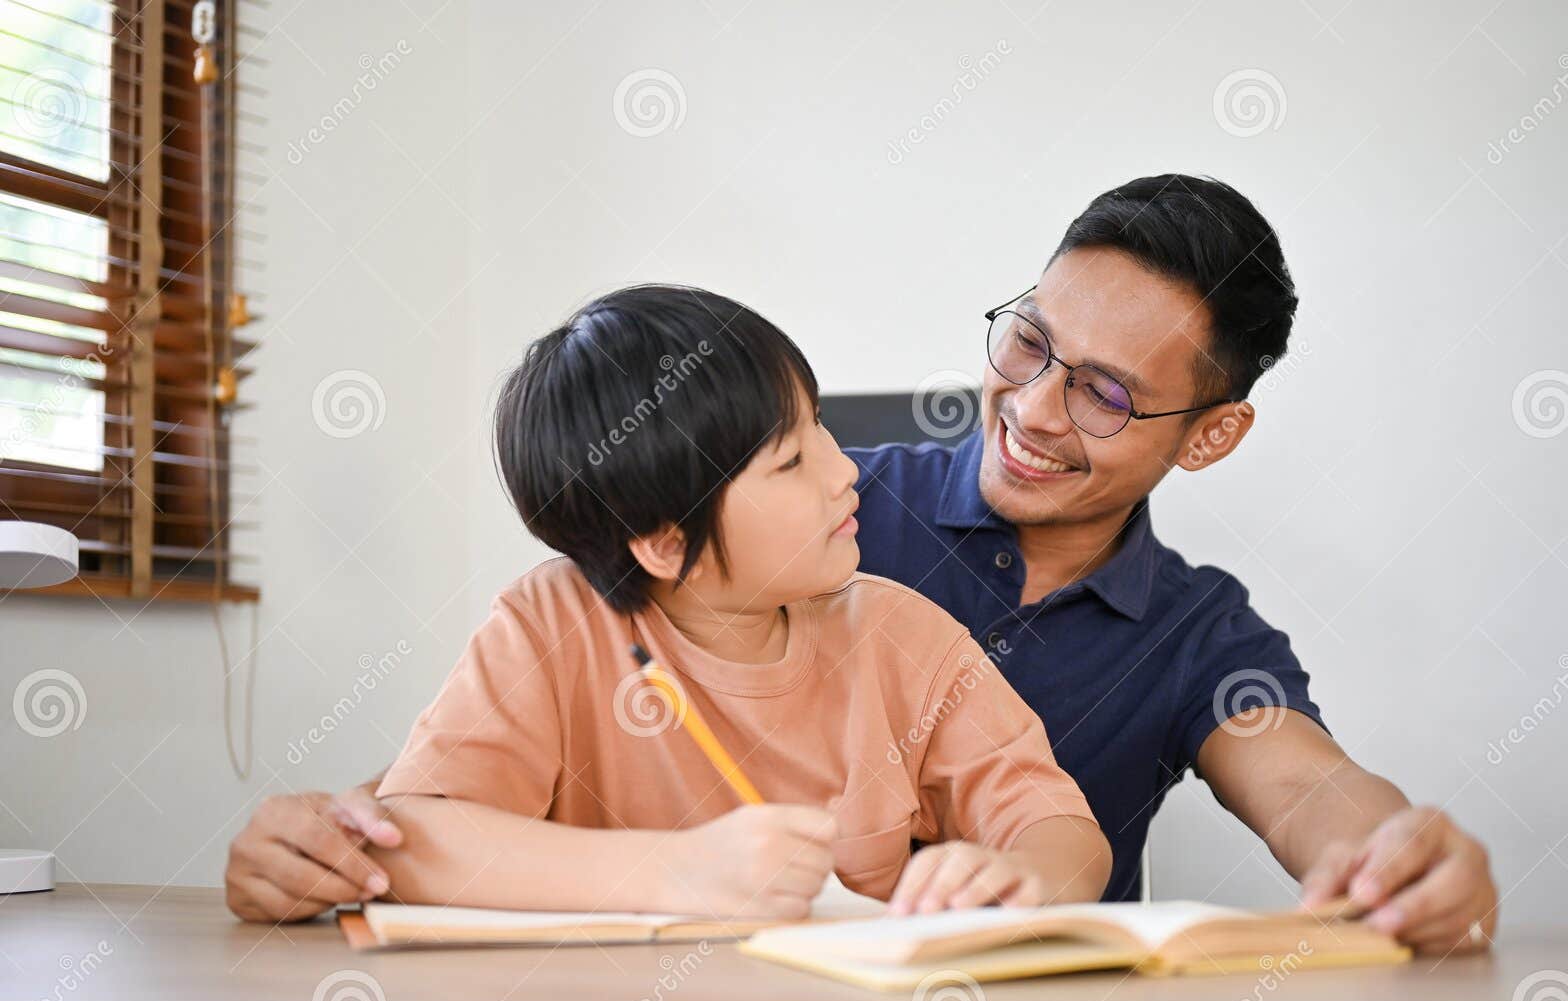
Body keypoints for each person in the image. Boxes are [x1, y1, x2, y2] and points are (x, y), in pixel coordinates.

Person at [226, 175, 1496, 955]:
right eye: (1027, 344)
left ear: (1208, 435)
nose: (1030, 409)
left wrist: (1401, 858)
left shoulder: (1188, 632)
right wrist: (336, 833)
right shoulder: (817, 514)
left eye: (1104, 394)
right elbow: (478, 770)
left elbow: (1307, 787)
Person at [282, 284, 1111, 919]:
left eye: (819, 426)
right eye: (791, 461)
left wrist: (1023, 875)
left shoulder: (902, 634)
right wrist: (680, 872)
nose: (843, 470)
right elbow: (414, 838)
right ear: (665, 542)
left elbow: (1066, 834)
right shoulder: (553, 622)